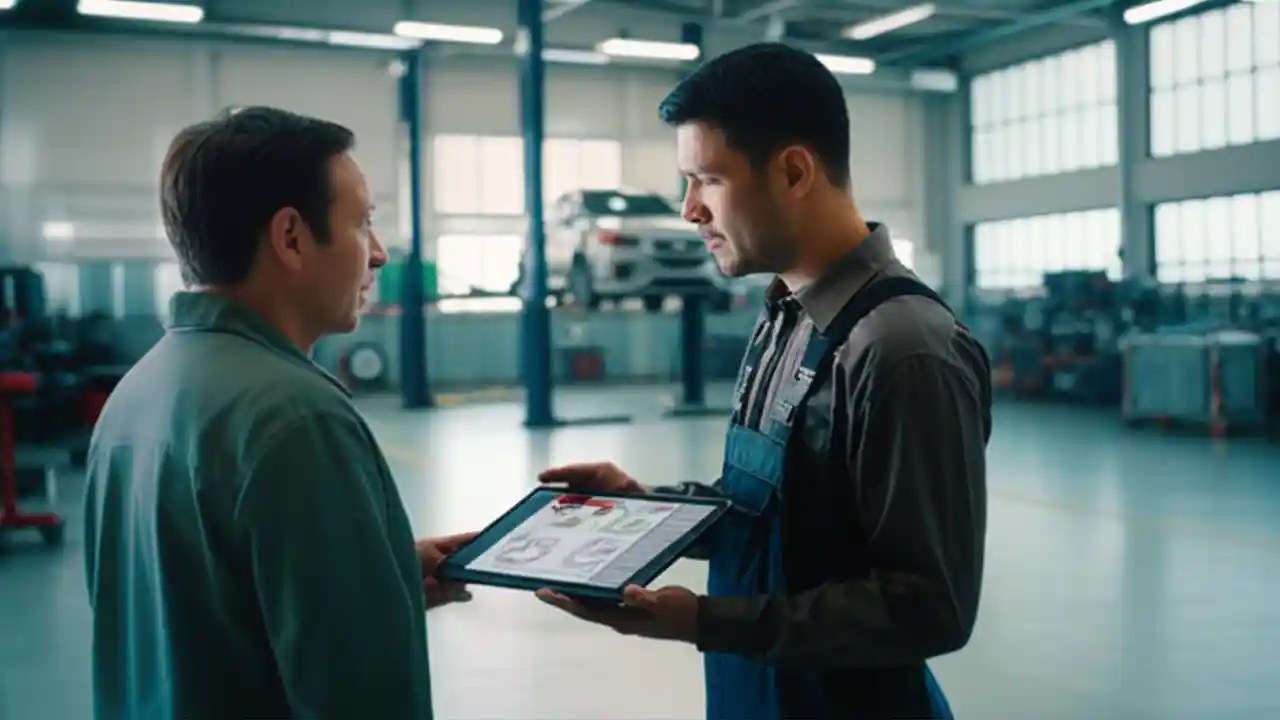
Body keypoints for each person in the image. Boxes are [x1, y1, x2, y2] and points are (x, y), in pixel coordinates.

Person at [535, 43, 992, 719]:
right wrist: (650, 512)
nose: (689, 209)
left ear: (795, 171)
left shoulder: (902, 350)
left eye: (707, 180)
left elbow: (929, 608)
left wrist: (703, 621)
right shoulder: (787, 314)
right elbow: (776, 512)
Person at [83, 106, 473, 720]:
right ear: (290, 237)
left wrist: (379, 574)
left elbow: (202, 617)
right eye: (362, 224)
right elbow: (360, 694)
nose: (377, 255)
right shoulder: (294, 415)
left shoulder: (137, 394)